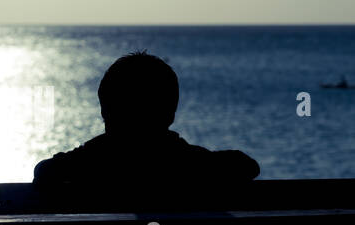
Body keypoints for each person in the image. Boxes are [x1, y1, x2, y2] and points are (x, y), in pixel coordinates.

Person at [33, 51, 259, 192]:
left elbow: (44, 171)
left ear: (105, 109)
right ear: (170, 112)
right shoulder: (195, 164)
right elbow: (247, 166)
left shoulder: (81, 166)